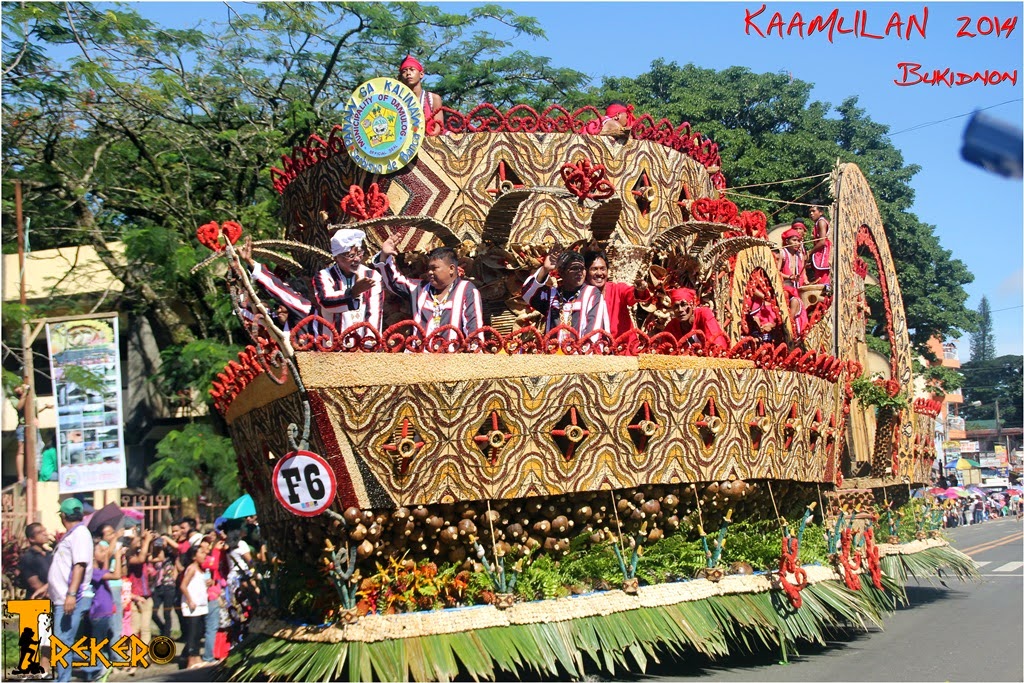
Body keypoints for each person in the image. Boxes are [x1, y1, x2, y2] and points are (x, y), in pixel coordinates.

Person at [374, 238, 484, 339]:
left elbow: (474, 328)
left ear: (451, 269)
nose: (429, 272)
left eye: (434, 268)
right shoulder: (419, 288)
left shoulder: (467, 290)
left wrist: (474, 355)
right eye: (428, 269)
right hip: (419, 356)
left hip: (452, 357)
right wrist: (385, 256)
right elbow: (395, 281)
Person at [48, 498, 93, 683]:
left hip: (72, 597)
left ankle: (66, 679)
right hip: (63, 597)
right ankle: (96, 665)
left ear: (63, 515)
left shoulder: (80, 533)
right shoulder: (73, 534)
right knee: (63, 641)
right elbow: (64, 566)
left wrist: (71, 594)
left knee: (62, 641)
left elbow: (79, 565)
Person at [313, 228, 385, 335]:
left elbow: (374, 312)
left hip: (364, 345)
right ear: (336, 257)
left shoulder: (373, 276)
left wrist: (369, 345)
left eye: (359, 253)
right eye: (350, 255)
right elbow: (326, 302)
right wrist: (353, 293)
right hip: (333, 346)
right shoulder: (324, 276)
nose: (356, 259)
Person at [523, 250, 607, 341]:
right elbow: (527, 294)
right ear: (562, 272)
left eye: (582, 268)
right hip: (553, 352)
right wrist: (545, 269)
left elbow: (594, 331)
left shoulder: (592, 293)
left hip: (581, 352)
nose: (579, 272)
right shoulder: (552, 294)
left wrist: (583, 352)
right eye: (574, 268)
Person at [236, 236, 313, 333]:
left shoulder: (304, 308)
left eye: (283, 304)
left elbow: (279, 289)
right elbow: (248, 312)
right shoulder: (282, 322)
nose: (278, 310)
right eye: (277, 306)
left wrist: (251, 262)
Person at [584, 250, 650, 348]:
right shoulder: (582, 294)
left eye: (603, 269)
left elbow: (631, 295)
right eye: (594, 269)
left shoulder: (617, 289)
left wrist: (639, 290)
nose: (599, 273)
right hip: (594, 349)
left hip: (624, 348)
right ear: (585, 272)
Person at [80, 540, 118, 683]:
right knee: (97, 643)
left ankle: (99, 667)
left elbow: (107, 570)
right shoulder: (93, 572)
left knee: (101, 642)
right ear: (93, 556)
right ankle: (97, 669)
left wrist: (107, 557)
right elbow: (116, 575)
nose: (105, 553)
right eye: (101, 551)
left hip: (105, 611)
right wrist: (118, 556)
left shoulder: (99, 570)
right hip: (98, 613)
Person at [662, 288, 730, 350]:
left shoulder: (704, 315)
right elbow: (663, 351)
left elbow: (717, 343)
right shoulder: (671, 327)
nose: (680, 310)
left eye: (684, 305)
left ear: (693, 305)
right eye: (676, 306)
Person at [179, 545, 210, 670]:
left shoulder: (202, 570)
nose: (204, 555)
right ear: (194, 556)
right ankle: (191, 659)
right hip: (193, 605)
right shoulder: (191, 569)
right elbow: (183, 585)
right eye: (201, 553)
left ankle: (197, 657)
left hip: (201, 604)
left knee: (199, 632)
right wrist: (189, 600)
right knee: (193, 632)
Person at [774, 222, 808, 334]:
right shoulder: (783, 253)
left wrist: (806, 281)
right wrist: (789, 276)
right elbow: (776, 272)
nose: (797, 243)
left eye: (798, 240)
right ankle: (788, 325)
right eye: (794, 240)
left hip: (799, 288)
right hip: (787, 288)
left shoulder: (800, 255)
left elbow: (803, 273)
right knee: (795, 302)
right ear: (787, 241)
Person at [126, 529, 156, 650]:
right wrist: (146, 540)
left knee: (146, 628)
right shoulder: (129, 556)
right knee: (134, 629)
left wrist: (150, 541)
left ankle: (143, 654)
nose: (139, 542)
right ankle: (131, 655)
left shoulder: (143, 552)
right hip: (134, 597)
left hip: (147, 596)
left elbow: (157, 555)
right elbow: (140, 559)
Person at [398, 54, 443, 131]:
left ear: (421, 74)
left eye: (412, 69)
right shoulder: (397, 100)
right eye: (404, 71)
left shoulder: (433, 99)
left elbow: (438, 128)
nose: (408, 73)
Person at [149, 539, 177, 639]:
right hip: (158, 586)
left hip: (169, 586)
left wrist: (165, 542)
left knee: (167, 613)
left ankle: (166, 635)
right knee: (153, 611)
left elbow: (175, 550)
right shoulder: (154, 557)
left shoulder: (171, 557)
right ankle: (163, 628)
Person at [19, 523, 52, 599]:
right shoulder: (29, 558)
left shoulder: (50, 554)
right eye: (40, 532)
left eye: (45, 531)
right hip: (37, 602)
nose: (45, 534)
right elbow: (35, 584)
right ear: (31, 539)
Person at [806, 206, 832, 285]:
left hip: (823, 254)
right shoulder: (818, 222)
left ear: (821, 212)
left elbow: (822, 242)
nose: (811, 213)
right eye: (810, 212)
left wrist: (810, 253)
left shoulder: (821, 222)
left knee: (823, 281)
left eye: (813, 211)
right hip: (820, 253)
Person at [11, 381, 30, 483]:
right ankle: (20, 476)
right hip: (22, 426)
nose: (17, 390)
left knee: (31, 450)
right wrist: (24, 393)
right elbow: (19, 406)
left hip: (31, 425)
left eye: (18, 387)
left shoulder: (29, 393)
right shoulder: (13, 398)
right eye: (15, 388)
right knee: (21, 450)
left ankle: (29, 473)